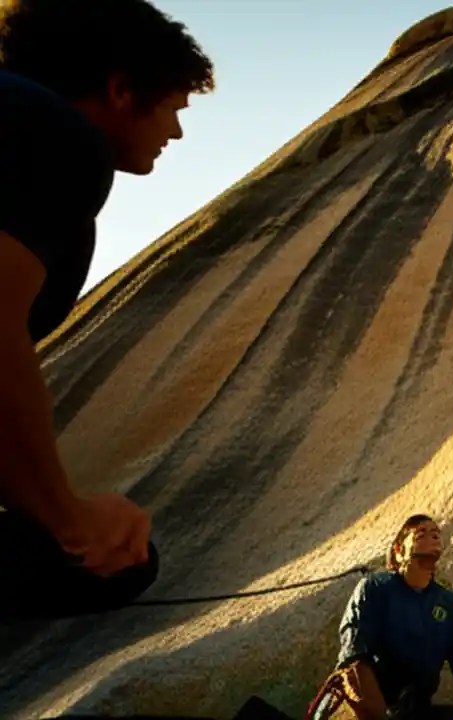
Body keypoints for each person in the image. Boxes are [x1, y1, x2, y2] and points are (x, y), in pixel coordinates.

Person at [0, 0, 214, 618]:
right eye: (174, 108)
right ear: (122, 90)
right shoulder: (58, 136)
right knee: (121, 562)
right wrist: (69, 520)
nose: (176, 133)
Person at [310, 514, 453, 720]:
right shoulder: (375, 588)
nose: (432, 537)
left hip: (414, 710)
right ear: (399, 551)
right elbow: (354, 659)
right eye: (420, 534)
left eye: (436, 534)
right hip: (365, 708)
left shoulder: (451, 604)